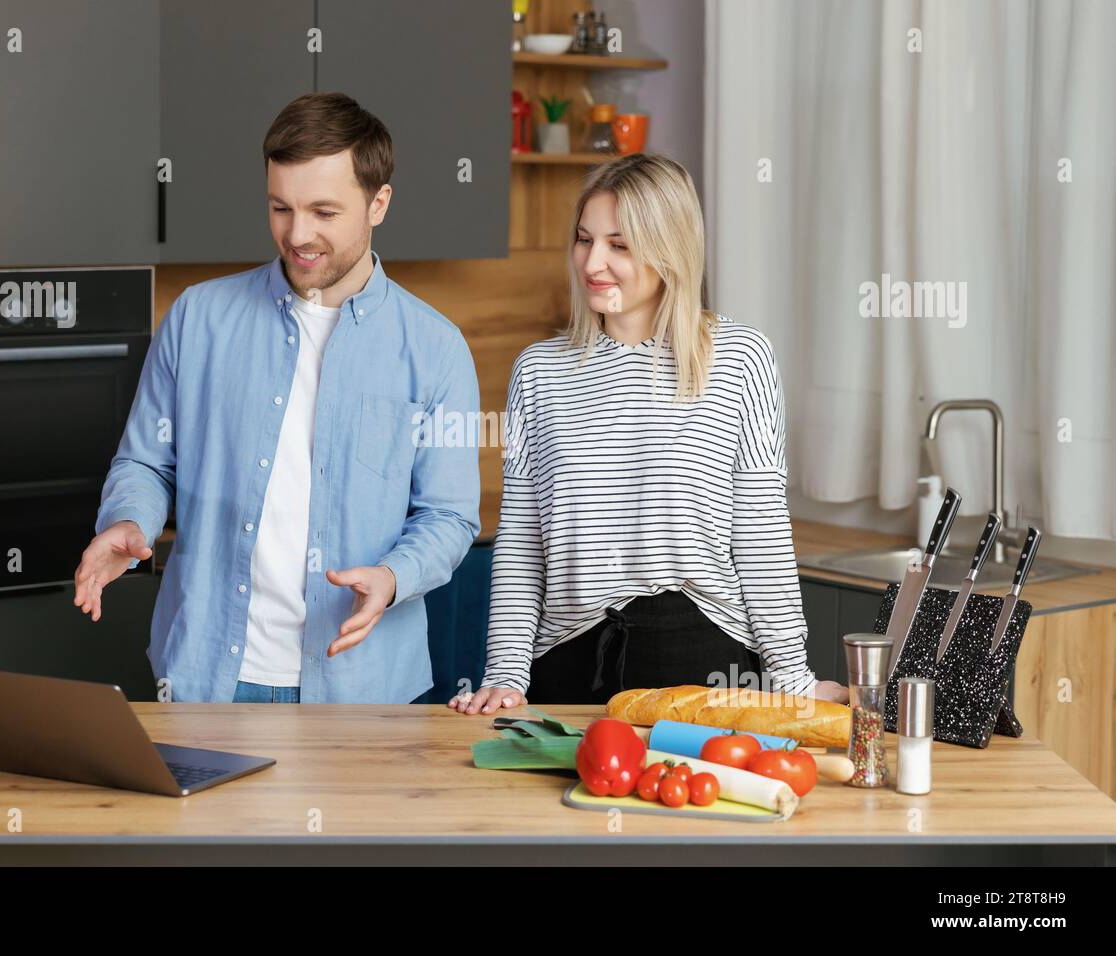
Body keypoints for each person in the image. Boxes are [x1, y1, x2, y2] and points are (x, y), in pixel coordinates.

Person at [74, 92, 480, 704]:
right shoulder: (198, 319)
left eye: (323, 211)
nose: (298, 234)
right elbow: (146, 461)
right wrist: (129, 521)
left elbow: (449, 517)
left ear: (379, 202)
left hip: (362, 689)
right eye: (280, 208)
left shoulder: (435, 348)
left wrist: (393, 578)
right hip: (207, 677)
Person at [451, 153, 848, 715]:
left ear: (670, 249)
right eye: (584, 240)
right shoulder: (537, 371)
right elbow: (521, 543)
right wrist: (506, 673)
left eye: (620, 244)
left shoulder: (738, 359)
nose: (594, 262)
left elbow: (760, 538)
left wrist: (790, 674)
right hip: (569, 662)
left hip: (707, 658)